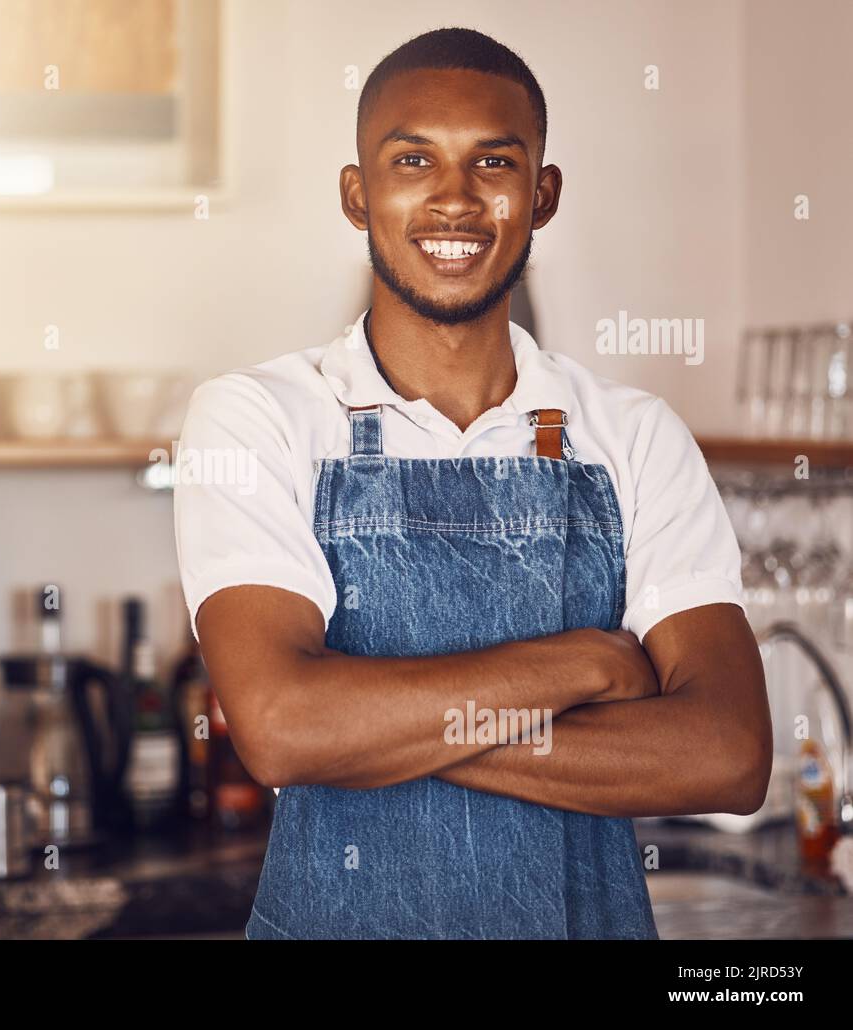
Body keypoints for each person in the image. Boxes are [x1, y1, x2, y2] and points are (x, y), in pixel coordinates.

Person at [172, 27, 771, 940]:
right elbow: (283, 730)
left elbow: (727, 756)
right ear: (356, 193)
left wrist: (376, 726)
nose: (454, 199)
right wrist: (591, 664)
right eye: (412, 159)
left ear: (542, 194)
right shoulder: (257, 418)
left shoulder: (635, 436)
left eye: (493, 162)